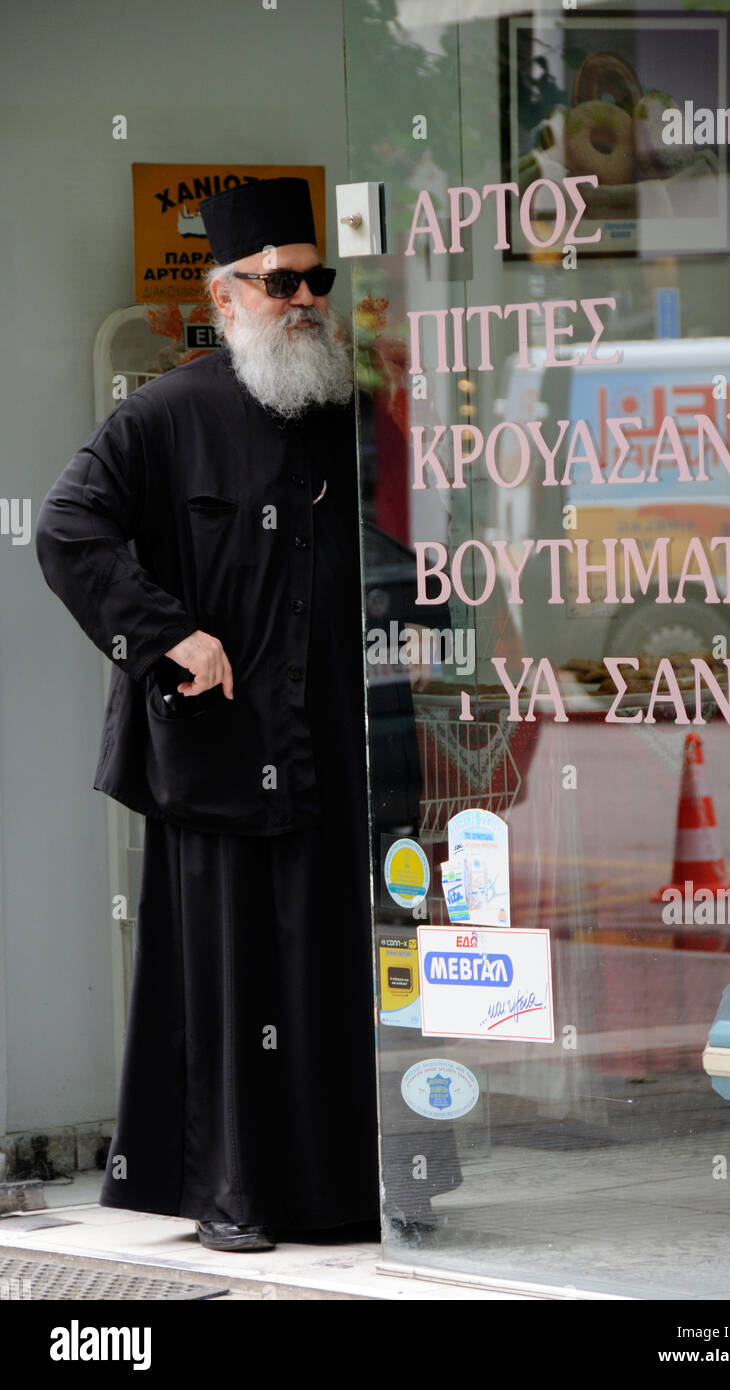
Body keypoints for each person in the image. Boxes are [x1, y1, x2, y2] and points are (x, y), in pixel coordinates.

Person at [35, 177, 381, 1252]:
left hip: (330, 746)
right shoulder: (166, 414)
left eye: (317, 280)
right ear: (225, 294)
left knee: (331, 974)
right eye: (283, 283)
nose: (306, 300)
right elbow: (68, 531)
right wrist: (167, 634)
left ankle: (340, 1194)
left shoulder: (351, 417)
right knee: (231, 986)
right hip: (218, 745)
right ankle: (230, 1197)